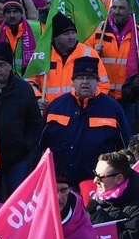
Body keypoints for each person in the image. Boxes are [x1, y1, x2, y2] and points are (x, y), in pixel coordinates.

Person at [44, 56, 133, 189]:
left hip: (97, 184)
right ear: (73, 81)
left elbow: (125, 147)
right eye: (80, 77)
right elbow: (39, 146)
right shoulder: (56, 106)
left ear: (97, 81)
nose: (85, 82)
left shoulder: (112, 109)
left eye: (90, 78)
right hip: (59, 184)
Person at [0, 36, 45, 196]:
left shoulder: (24, 90)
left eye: (2, 65)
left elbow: (35, 123)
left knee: (18, 199)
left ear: (10, 66)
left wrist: (25, 147)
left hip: (16, 159)